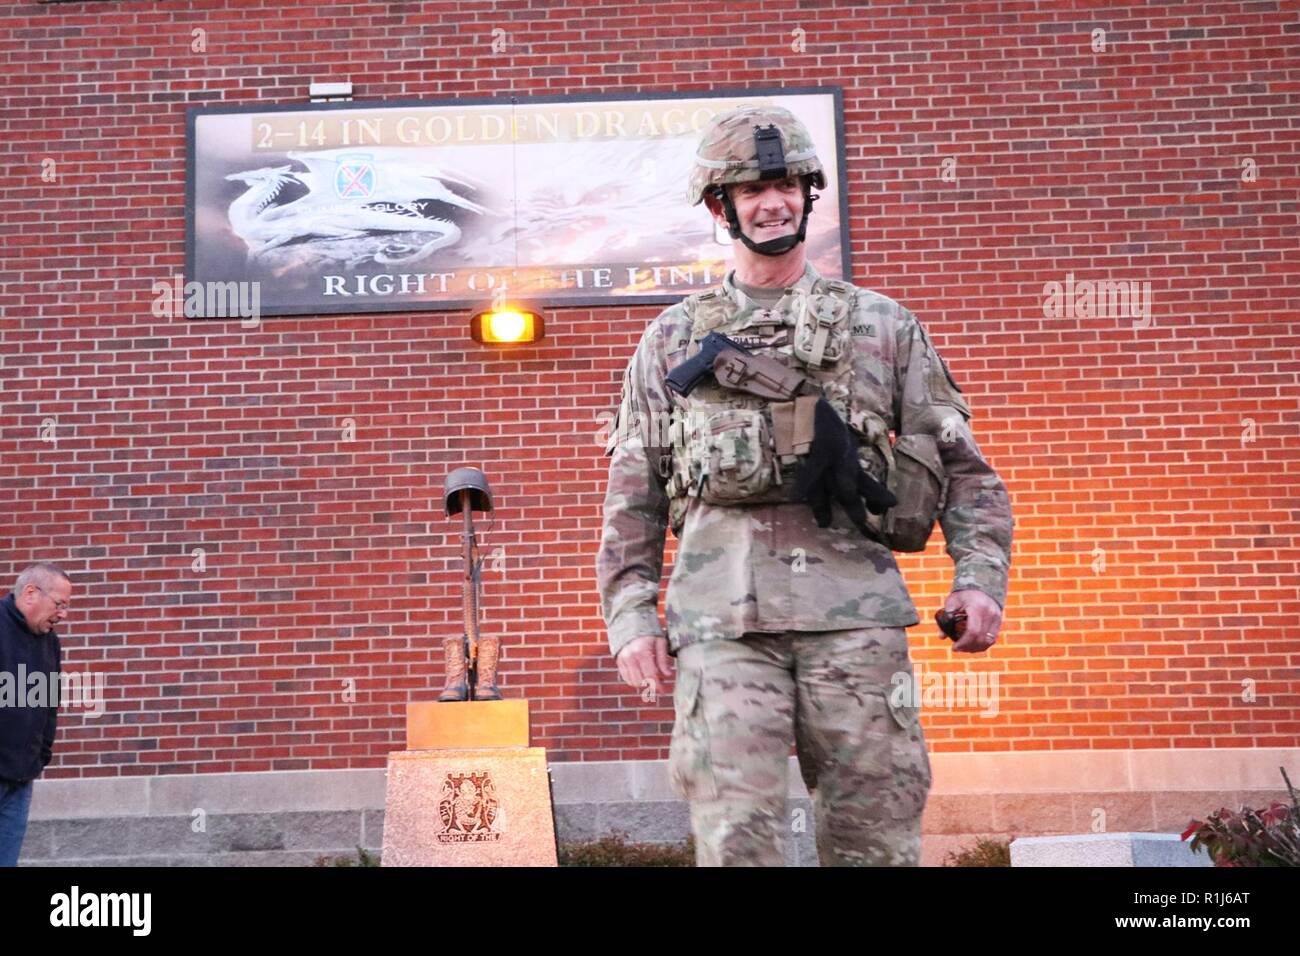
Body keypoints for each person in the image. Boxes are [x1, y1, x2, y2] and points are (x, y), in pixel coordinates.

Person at [595, 105, 1013, 866]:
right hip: (721, 626)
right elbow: (634, 491)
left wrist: (979, 580)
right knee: (738, 837)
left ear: (809, 195)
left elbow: (964, 470)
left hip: (854, 618)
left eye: (788, 184)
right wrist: (631, 618)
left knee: (875, 836)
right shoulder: (674, 339)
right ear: (721, 206)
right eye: (752, 189)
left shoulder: (882, 327)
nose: (773, 202)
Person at [0, 563, 70, 866]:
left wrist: (40, 756)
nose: (63, 614)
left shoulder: (49, 642)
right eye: (60, 604)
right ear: (30, 593)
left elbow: (48, 706)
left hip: (19, 780)